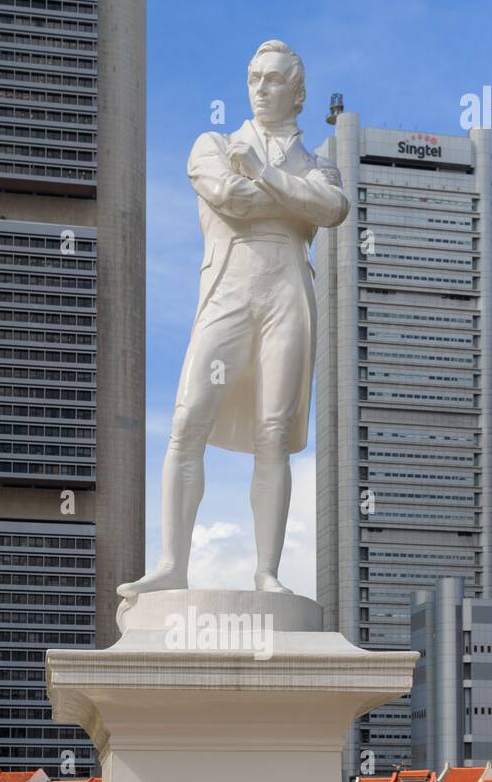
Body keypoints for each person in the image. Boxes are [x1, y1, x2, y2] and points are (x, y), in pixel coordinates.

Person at [119, 40, 349, 599]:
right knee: (187, 419)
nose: (261, 88)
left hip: (288, 294)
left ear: (297, 91)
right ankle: (173, 564)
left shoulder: (321, 163)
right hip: (229, 287)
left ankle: (267, 572)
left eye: (273, 79)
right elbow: (230, 198)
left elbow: (332, 210)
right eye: (254, 78)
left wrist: (267, 176)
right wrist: (291, 199)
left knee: (274, 433)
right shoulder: (215, 143)